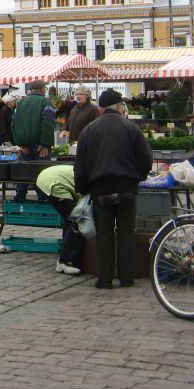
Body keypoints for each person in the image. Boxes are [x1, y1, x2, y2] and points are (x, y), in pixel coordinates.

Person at [74, 88, 152, 289]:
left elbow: (80, 165)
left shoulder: (89, 130)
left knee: (104, 234)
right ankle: (126, 277)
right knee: (126, 233)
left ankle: (105, 279)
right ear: (118, 106)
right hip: (127, 187)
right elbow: (145, 158)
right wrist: (137, 178)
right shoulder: (131, 128)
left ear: (101, 108)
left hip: (100, 188)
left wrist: (83, 188)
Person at [35, 165, 84, 275]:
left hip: (46, 178)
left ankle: (62, 261)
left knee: (70, 219)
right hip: (54, 183)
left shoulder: (90, 172)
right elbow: (85, 203)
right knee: (76, 220)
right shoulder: (92, 180)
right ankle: (69, 263)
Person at [11, 81, 56, 201]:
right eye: (45, 88)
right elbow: (48, 123)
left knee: (24, 174)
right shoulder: (45, 102)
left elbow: (14, 125)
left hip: (25, 148)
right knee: (41, 174)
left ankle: (19, 200)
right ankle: (42, 201)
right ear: (41, 89)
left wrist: (21, 145)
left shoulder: (20, 103)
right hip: (40, 147)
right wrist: (45, 144)